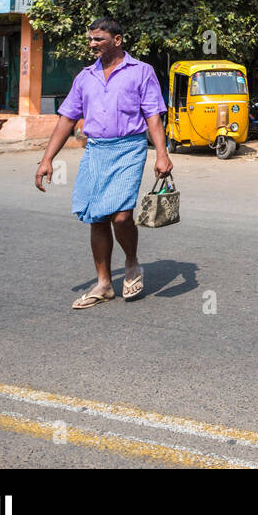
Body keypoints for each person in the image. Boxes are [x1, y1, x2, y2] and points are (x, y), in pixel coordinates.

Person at [35, 18, 171, 309]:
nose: (93, 44)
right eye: (91, 39)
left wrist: (162, 153)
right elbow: (67, 118)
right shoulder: (85, 77)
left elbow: (153, 117)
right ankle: (104, 284)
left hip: (129, 148)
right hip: (96, 150)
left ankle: (132, 262)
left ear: (117, 40)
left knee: (121, 216)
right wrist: (47, 159)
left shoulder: (141, 72)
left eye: (99, 39)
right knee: (97, 217)